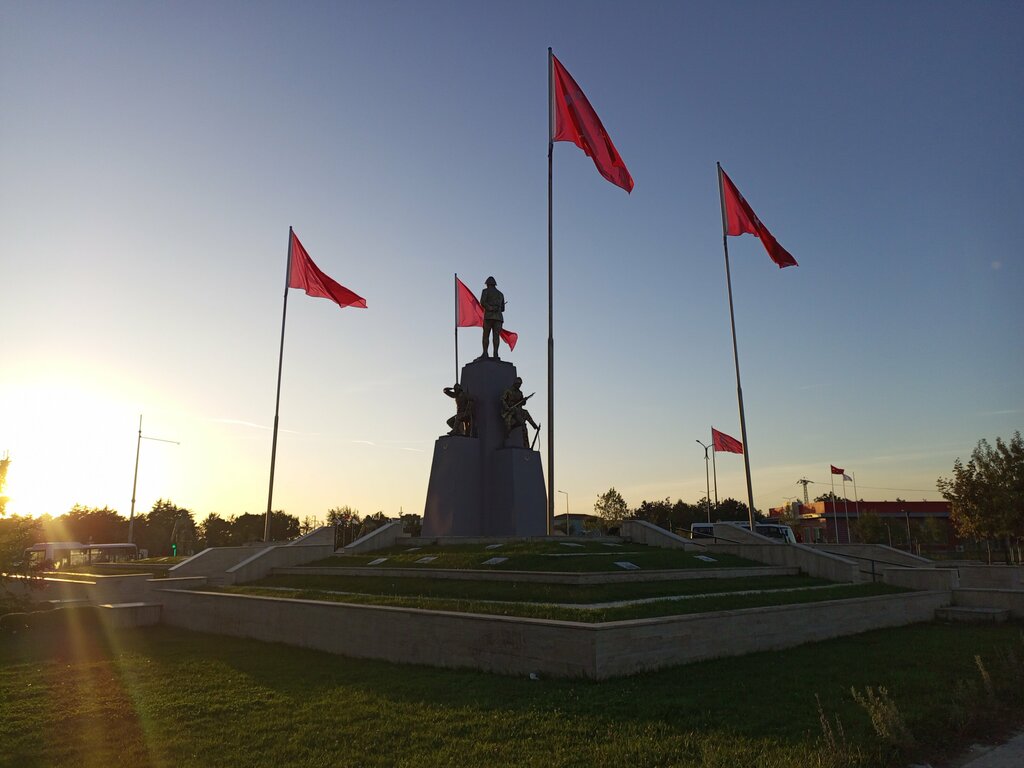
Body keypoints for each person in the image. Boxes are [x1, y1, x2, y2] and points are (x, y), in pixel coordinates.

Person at [501, 377, 538, 448]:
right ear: (515, 383)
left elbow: (521, 403)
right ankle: (507, 437)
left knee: (525, 413)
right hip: (510, 410)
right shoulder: (508, 391)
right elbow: (502, 399)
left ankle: (534, 425)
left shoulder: (520, 393)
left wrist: (524, 400)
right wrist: (507, 407)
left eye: (520, 384)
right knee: (511, 419)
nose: (519, 385)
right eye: (518, 384)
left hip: (518, 410)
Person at [479, 276, 505, 360]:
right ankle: (496, 354)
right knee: (496, 336)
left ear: (487, 284)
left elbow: (482, 302)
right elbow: (503, 309)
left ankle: (485, 353)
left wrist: (489, 308)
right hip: (498, 318)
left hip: (489, 317)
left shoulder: (485, 291)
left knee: (486, 335)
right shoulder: (501, 294)